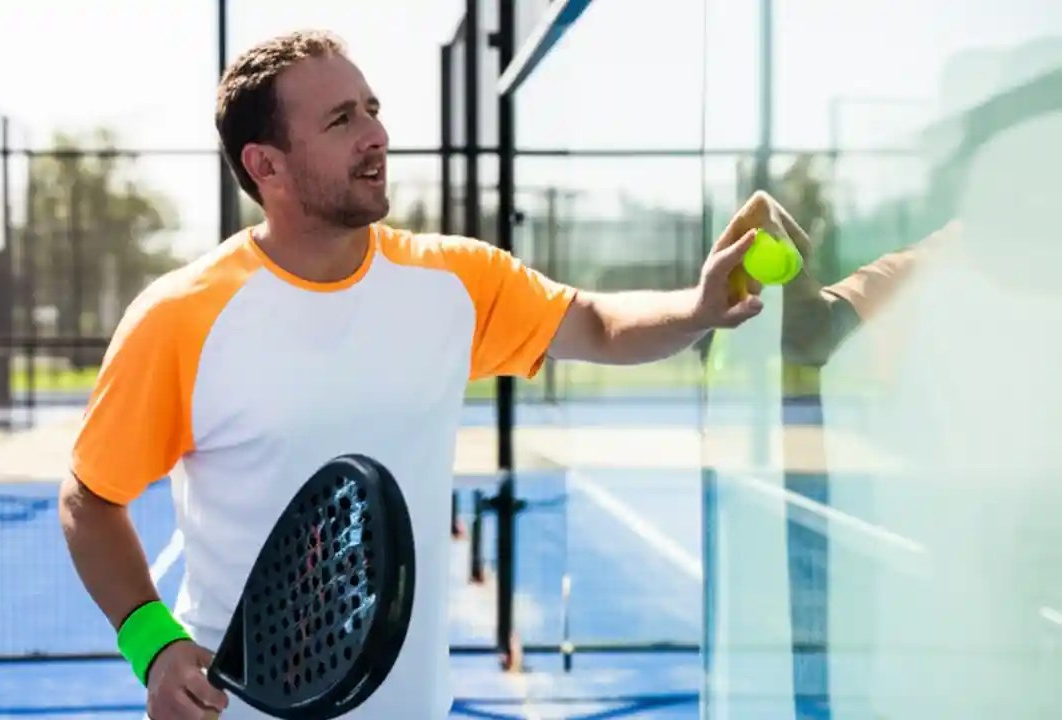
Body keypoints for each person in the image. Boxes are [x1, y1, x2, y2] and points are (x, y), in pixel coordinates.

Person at [59, 29, 775, 720]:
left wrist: (698, 306)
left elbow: (593, 324)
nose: (376, 135)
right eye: (342, 120)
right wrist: (152, 645)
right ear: (266, 166)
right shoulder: (180, 317)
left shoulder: (452, 280)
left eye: (372, 109)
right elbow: (90, 499)